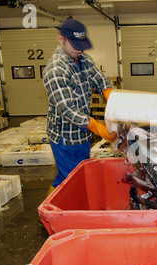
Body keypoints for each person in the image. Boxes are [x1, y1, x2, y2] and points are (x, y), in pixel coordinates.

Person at [43, 18, 117, 190]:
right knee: (71, 181)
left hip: (83, 136)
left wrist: (109, 94)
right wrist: (97, 127)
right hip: (66, 138)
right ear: (61, 40)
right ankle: (55, 213)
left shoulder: (82, 58)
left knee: (76, 176)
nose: (80, 49)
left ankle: (57, 208)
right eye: (75, 44)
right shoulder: (55, 70)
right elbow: (67, 109)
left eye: (81, 44)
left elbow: (98, 78)